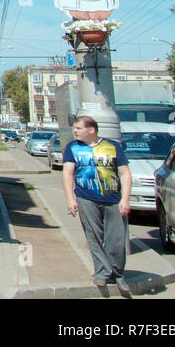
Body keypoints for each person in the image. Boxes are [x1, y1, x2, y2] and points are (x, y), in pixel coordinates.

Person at [62, 114, 132, 295]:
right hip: (86, 198)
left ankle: (118, 274)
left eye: (78, 128)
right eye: (74, 128)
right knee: (94, 237)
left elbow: (124, 173)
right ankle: (102, 272)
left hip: (113, 199)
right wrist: (71, 199)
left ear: (91, 130)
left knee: (116, 239)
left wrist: (125, 199)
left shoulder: (112, 146)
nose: (75, 131)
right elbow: (68, 173)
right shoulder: (72, 148)